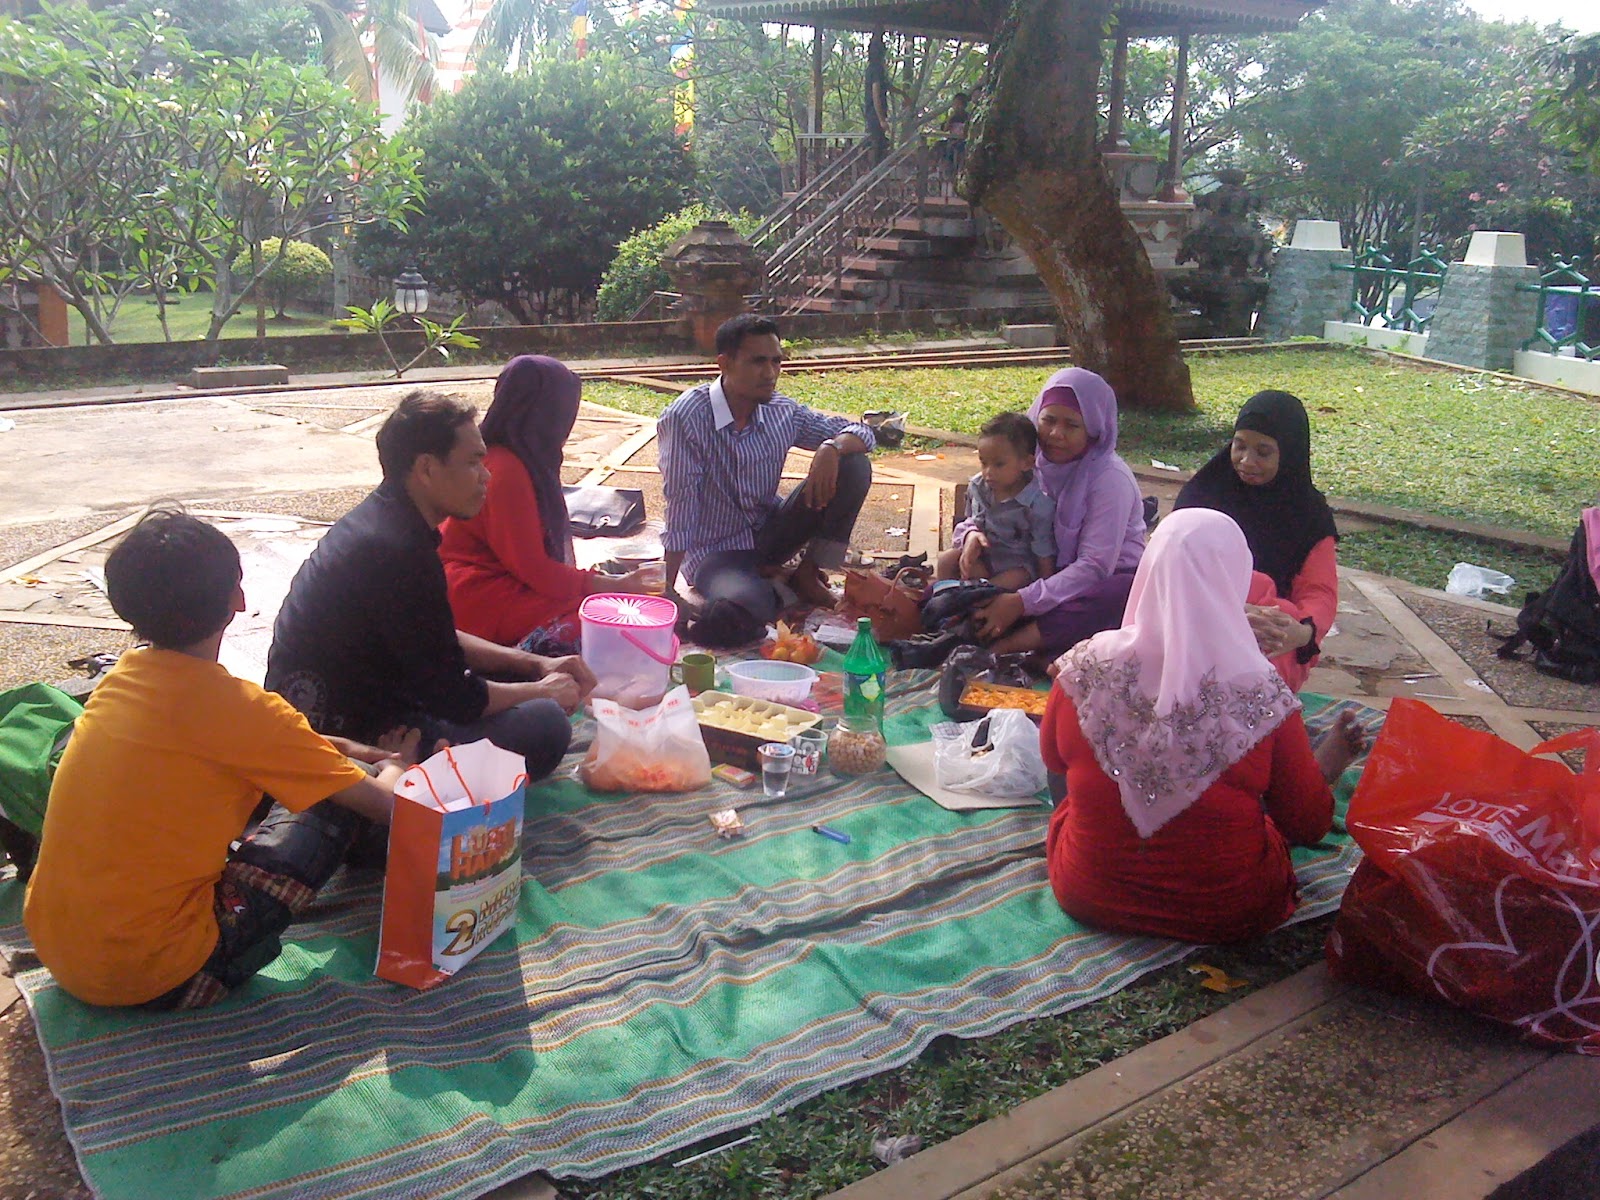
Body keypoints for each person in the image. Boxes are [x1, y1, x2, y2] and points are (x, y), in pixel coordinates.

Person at [24, 509, 414, 1009]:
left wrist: (355, 750)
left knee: (322, 772)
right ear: (236, 601)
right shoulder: (246, 712)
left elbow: (275, 741)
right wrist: (398, 763)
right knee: (338, 798)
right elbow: (389, 805)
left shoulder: (119, 682)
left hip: (63, 953)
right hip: (163, 977)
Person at [1042, 508, 1363, 943]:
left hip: (1088, 892)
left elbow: (1054, 763)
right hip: (1226, 909)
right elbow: (1308, 827)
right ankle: (1308, 773)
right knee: (1258, 818)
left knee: (1077, 805)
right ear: (1235, 580)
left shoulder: (1083, 668)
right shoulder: (1259, 691)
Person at [267, 390, 588, 780]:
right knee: (545, 724)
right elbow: (458, 698)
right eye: (473, 462)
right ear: (426, 469)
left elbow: (433, 637)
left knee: (519, 679)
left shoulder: (389, 522)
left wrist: (536, 663)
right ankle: (403, 771)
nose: (486, 475)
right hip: (344, 733)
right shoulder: (396, 549)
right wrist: (542, 691)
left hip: (372, 694)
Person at [658, 314, 876, 646]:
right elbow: (680, 503)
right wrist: (667, 590)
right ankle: (770, 583)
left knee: (855, 465)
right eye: (758, 362)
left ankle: (805, 573)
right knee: (750, 607)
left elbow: (864, 433)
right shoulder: (685, 417)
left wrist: (832, 447)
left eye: (776, 361)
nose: (771, 373)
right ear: (725, 364)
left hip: (772, 533)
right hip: (716, 552)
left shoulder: (781, 410)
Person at [439, 355, 654, 653]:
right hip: (475, 594)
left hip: (489, 582)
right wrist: (618, 585)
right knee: (605, 617)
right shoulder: (507, 470)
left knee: (606, 605)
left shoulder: (508, 456)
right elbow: (536, 570)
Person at [1173, 389, 1339, 692]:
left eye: (1263, 452)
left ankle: (1258, 726)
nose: (1247, 461)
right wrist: (1228, 612)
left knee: (1281, 621)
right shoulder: (1203, 494)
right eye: (1239, 446)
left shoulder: (1308, 513)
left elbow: (1319, 590)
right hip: (1196, 615)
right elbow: (1170, 567)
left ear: (1288, 452)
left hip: (1265, 628)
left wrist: (1302, 632)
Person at [972, 368, 1145, 656]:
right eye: (1048, 420)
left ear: (1093, 428)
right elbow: (982, 511)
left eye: (1072, 425)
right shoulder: (1026, 462)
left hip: (1100, 581)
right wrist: (971, 536)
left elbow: (1094, 567)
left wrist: (1022, 602)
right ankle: (1034, 645)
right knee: (969, 586)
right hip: (1036, 569)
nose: (1056, 434)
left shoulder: (1110, 479)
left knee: (1117, 596)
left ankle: (1007, 647)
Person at [939, 410, 1055, 590]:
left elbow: (1043, 551)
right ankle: (942, 601)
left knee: (1007, 582)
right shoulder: (979, 487)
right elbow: (971, 522)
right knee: (947, 560)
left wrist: (1047, 591)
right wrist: (971, 536)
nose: (988, 472)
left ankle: (974, 602)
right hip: (985, 558)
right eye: (984, 463)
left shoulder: (1037, 504)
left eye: (999, 464)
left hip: (1017, 568)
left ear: (1026, 463)